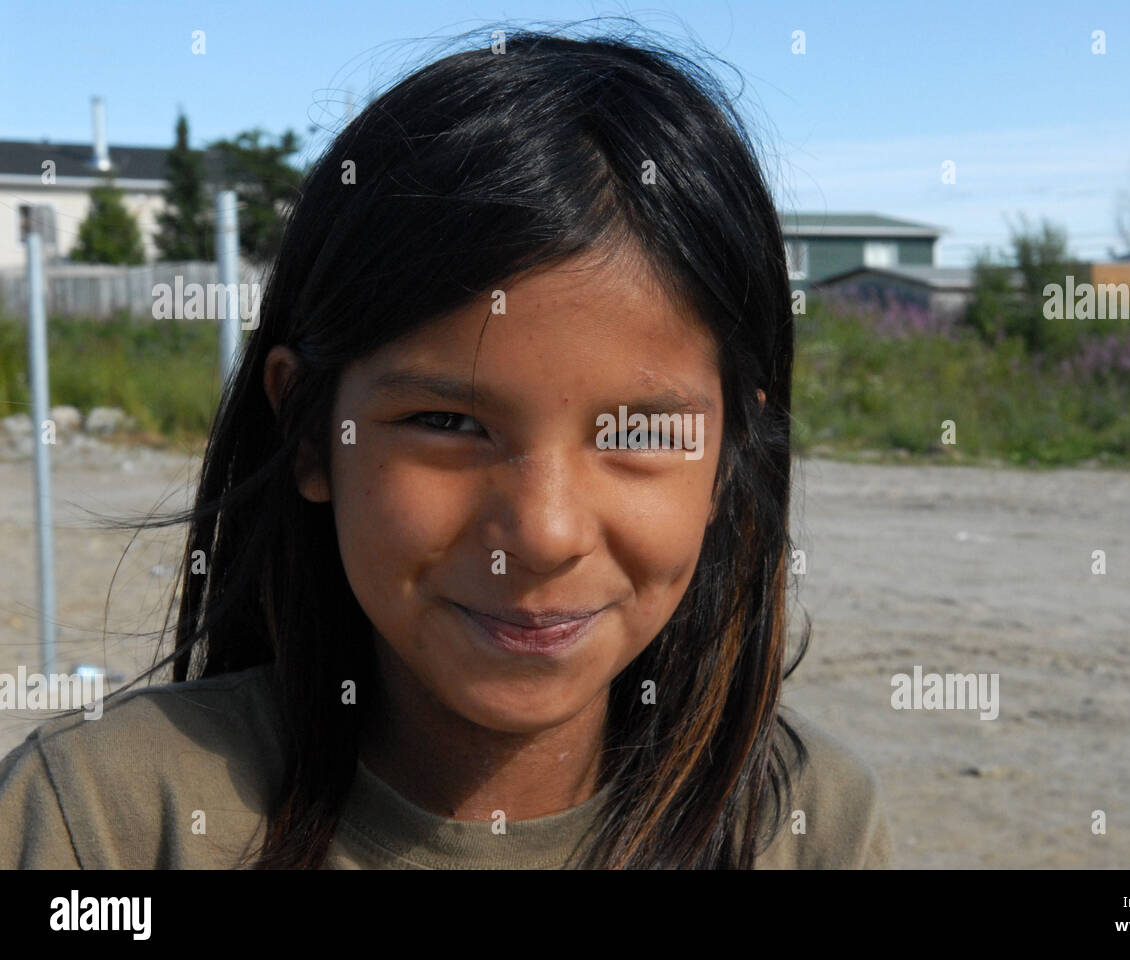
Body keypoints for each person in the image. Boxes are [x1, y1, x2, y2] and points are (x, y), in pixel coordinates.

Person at [0, 26, 891, 869]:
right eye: (449, 424)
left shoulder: (806, 824)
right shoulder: (106, 821)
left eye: (639, 433)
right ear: (311, 432)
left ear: (730, 458)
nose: (542, 533)